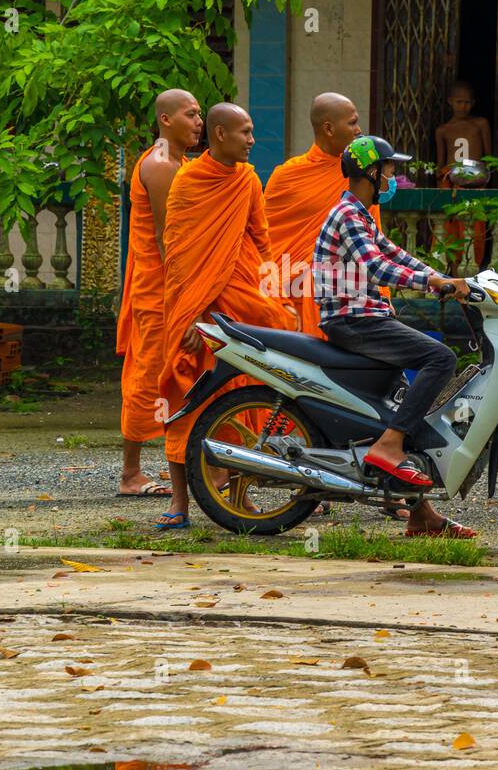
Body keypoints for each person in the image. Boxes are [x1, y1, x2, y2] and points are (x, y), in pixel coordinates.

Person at [313, 135, 476, 538]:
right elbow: (379, 270)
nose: (391, 177)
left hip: (366, 318)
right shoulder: (348, 215)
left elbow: (396, 255)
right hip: (354, 321)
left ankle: (422, 516)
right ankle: (387, 447)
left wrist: (449, 279)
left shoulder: (360, 214)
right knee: (441, 359)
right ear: (369, 172)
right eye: (388, 169)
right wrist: (431, 281)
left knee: (404, 408)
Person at [155, 103, 295, 530]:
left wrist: (275, 296)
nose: (252, 141)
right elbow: (179, 254)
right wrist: (194, 315)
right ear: (220, 133)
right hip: (195, 310)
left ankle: (239, 496)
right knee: (184, 396)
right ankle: (180, 503)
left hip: (241, 304)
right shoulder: (189, 180)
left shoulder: (249, 180)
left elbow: (262, 240)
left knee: (243, 397)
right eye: (245, 133)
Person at [115, 88, 202, 497]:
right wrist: (188, 296)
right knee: (149, 374)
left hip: (165, 286)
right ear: (165, 120)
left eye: (200, 114)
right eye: (190, 115)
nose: (198, 122)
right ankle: (131, 474)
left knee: (178, 371)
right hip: (159, 288)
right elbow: (171, 240)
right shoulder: (162, 165)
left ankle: (180, 456)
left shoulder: (180, 162)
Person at [264, 91, 387, 339]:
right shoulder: (287, 176)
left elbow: (373, 241)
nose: (359, 130)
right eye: (352, 122)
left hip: (344, 296)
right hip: (291, 291)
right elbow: (264, 240)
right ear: (329, 128)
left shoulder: (361, 178)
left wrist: (382, 295)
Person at [434, 80, 491, 271]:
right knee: (450, 224)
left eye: (467, 102)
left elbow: (488, 158)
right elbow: (440, 163)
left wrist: (484, 178)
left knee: (475, 226)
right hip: (450, 184)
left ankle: (473, 264)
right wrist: (441, 176)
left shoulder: (481, 124)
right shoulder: (443, 130)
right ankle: (450, 265)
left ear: (473, 103)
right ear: (450, 101)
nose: (463, 106)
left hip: (475, 182)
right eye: (459, 102)